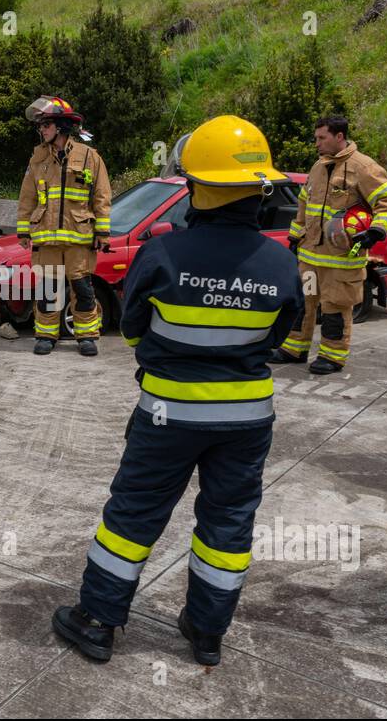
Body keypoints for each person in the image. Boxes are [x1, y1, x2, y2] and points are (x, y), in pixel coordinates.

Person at [52, 116, 304, 665]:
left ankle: (97, 622)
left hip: (167, 413)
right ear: (258, 189)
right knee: (229, 522)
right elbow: (280, 337)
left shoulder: (163, 255)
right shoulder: (283, 262)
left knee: (135, 515)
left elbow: (136, 329)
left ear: (195, 187)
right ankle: (207, 632)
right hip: (246, 421)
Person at [269, 115, 387, 374]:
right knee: (301, 303)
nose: (316, 143)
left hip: (341, 258)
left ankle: (332, 357)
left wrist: (376, 230)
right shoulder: (318, 167)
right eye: (316, 137)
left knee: (335, 307)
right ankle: (294, 349)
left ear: (339, 137)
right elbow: (304, 206)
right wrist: (295, 238)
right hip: (310, 256)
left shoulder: (363, 167)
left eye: (322, 137)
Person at [16, 96, 111, 357]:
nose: (41, 130)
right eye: (40, 126)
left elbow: (102, 195)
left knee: (82, 289)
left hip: (78, 238)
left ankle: (87, 336)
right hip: (47, 239)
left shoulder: (89, 157)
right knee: (49, 289)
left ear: (60, 126)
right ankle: (46, 335)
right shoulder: (37, 159)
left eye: (45, 125)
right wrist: (23, 230)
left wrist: (102, 232)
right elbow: (27, 197)